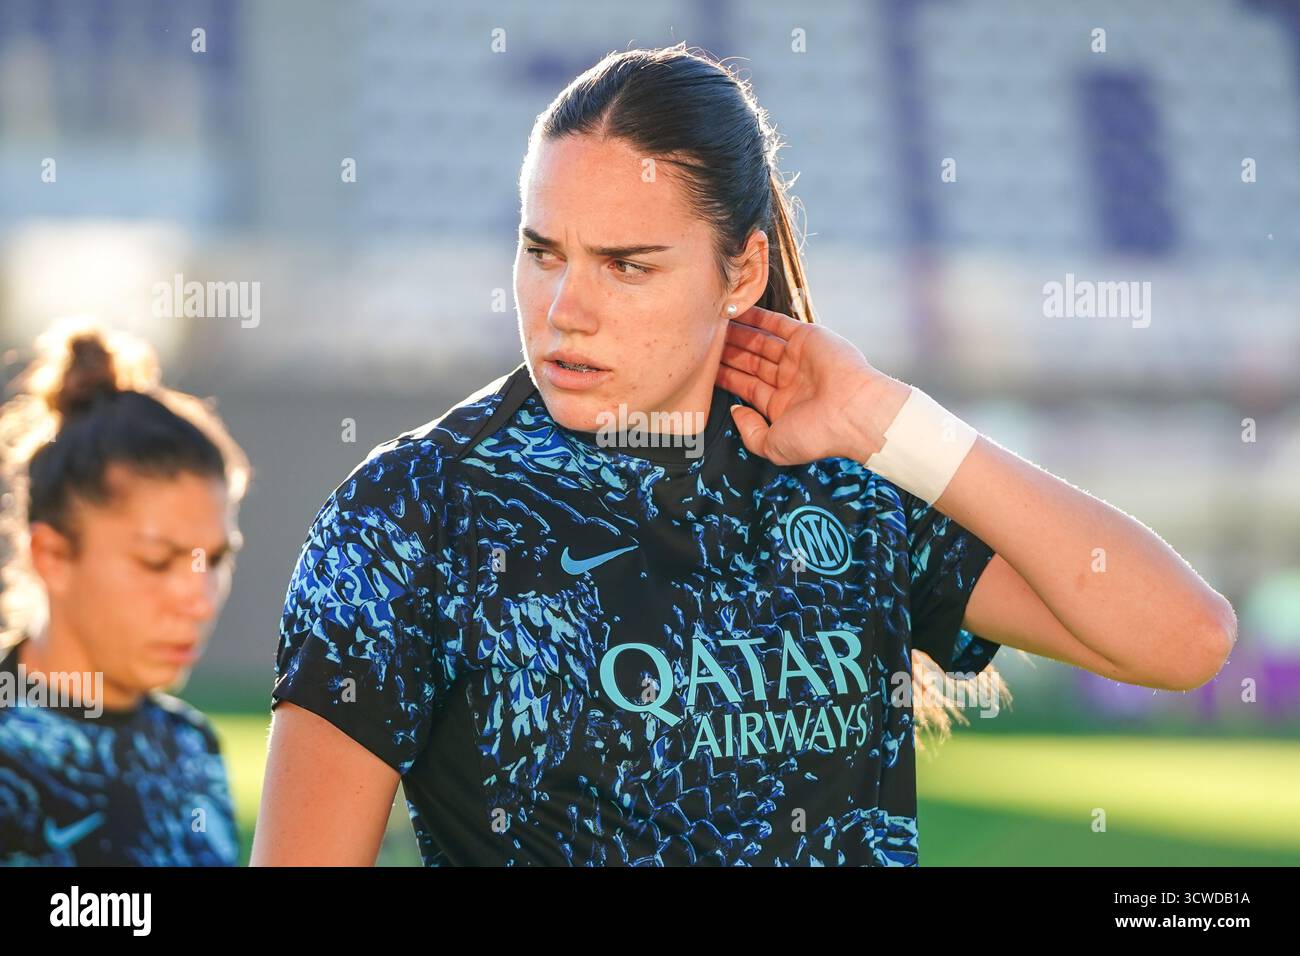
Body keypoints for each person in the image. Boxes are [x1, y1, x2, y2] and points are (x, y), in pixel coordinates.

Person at [254, 45, 1236, 866]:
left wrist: (891, 421)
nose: (564, 308)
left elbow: (1183, 640)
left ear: (743, 270)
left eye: (628, 265)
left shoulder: (852, 475)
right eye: (543, 251)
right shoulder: (416, 509)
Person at [0, 319, 247, 865]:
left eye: (216, 560)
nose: (200, 599)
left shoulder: (192, 749)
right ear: (53, 557)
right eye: (157, 562)